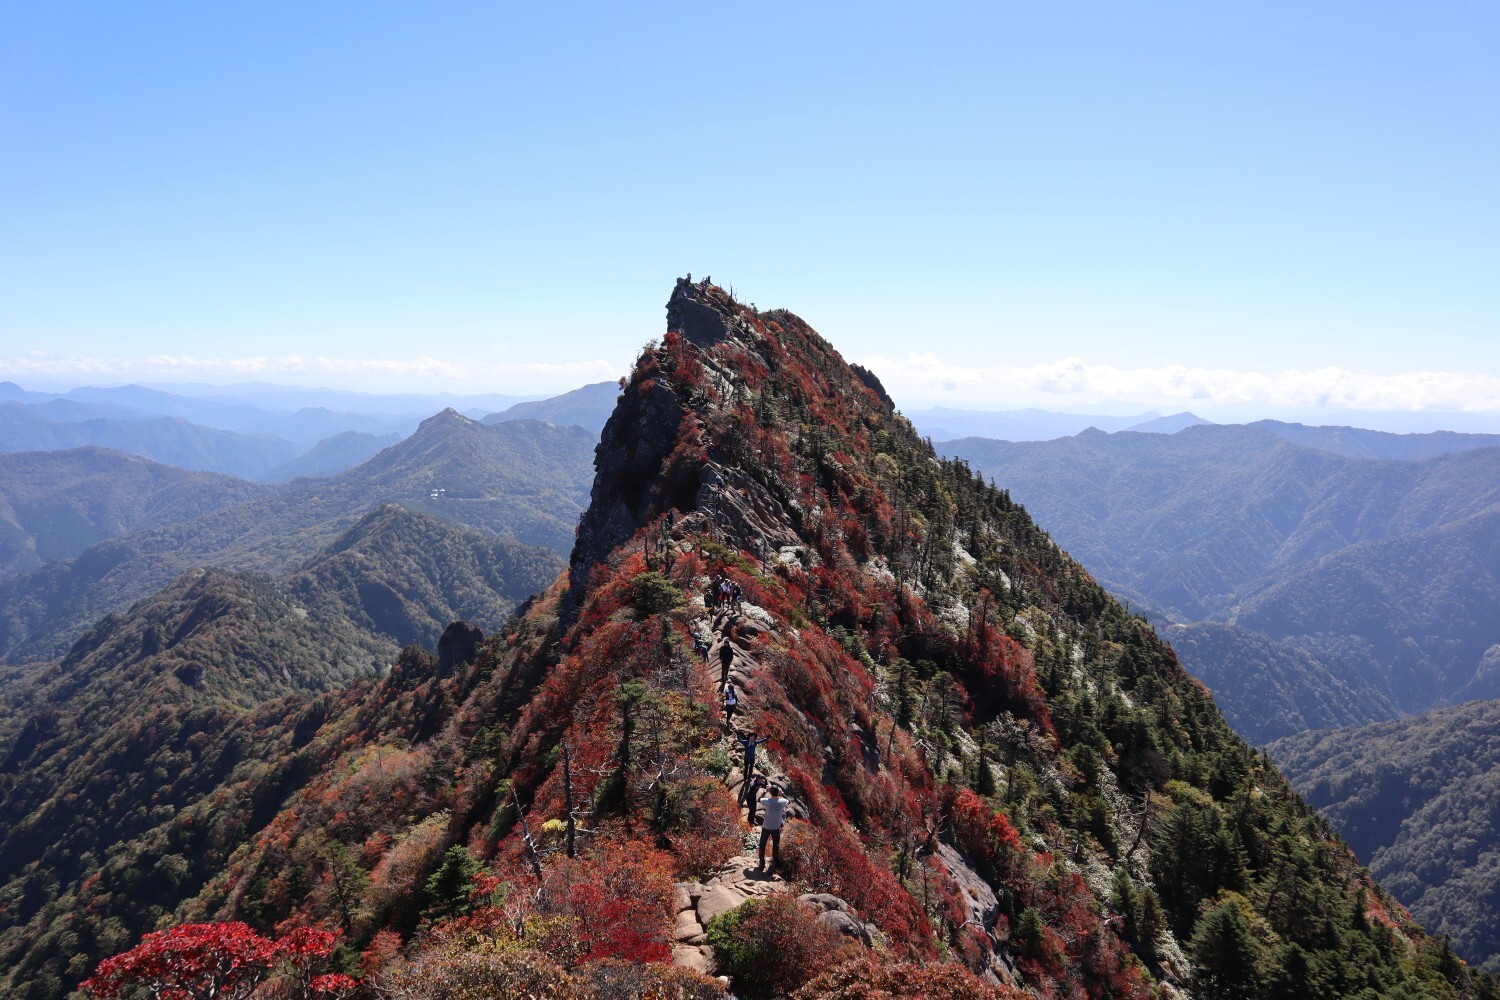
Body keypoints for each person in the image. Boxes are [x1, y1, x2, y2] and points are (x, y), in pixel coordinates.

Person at [757, 784, 789, 870]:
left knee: (762, 844)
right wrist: (782, 793)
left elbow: (759, 799)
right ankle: (774, 863)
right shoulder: (782, 801)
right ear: (778, 792)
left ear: (770, 792)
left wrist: (765, 791)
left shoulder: (767, 801)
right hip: (776, 827)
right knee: (776, 845)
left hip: (766, 826)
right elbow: (788, 801)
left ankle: (762, 863)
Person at [737, 733, 768, 803]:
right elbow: (740, 740)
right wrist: (737, 734)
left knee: (751, 768)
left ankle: (749, 777)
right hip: (746, 758)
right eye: (751, 736)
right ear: (749, 737)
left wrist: (766, 738)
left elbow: (761, 741)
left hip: (752, 758)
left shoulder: (755, 743)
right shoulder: (746, 742)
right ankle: (745, 778)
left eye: (753, 737)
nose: (752, 738)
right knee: (746, 768)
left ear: (754, 738)